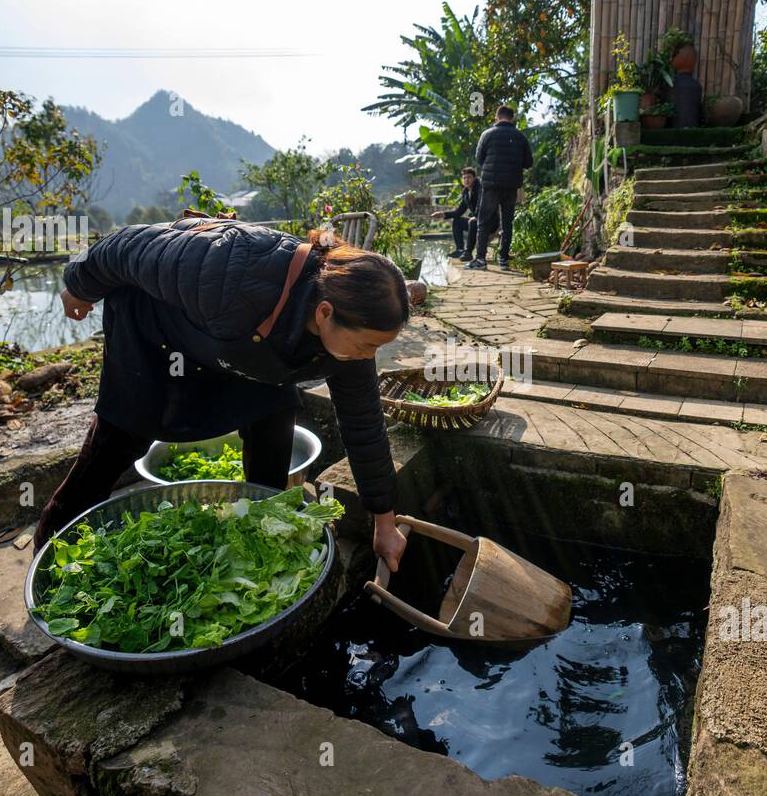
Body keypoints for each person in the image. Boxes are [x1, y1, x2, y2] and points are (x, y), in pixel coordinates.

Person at [37, 214, 410, 574]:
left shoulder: (352, 343)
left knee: (274, 416)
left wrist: (384, 522)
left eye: (377, 346)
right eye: (366, 345)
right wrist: (78, 288)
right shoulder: (230, 268)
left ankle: (262, 530)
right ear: (325, 313)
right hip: (152, 332)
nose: (369, 356)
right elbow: (125, 246)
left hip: (234, 343)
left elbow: (364, 425)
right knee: (119, 438)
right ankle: (51, 550)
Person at [470, 104, 533, 271]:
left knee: (483, 222)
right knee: (507, 223)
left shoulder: (487, 134)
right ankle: (504, 260)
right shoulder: (520, 136)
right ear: (512, 118)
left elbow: (479, 158)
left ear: (496, 117)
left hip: (491, 185)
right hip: (511, 185)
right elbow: (529, 162)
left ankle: (481, 259)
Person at [430, 166, 482, 261]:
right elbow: (459, 212)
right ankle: (460, 250)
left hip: (487, 221)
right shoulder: (466, 192)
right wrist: (443, 214)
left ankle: (468, 253)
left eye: (469, 177)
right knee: (457, 221)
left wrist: (477, 216)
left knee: (473, 222)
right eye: (464, 178)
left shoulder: (480, 189)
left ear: (474, 178)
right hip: (475, 221)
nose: (466, 180)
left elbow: (483, 205)